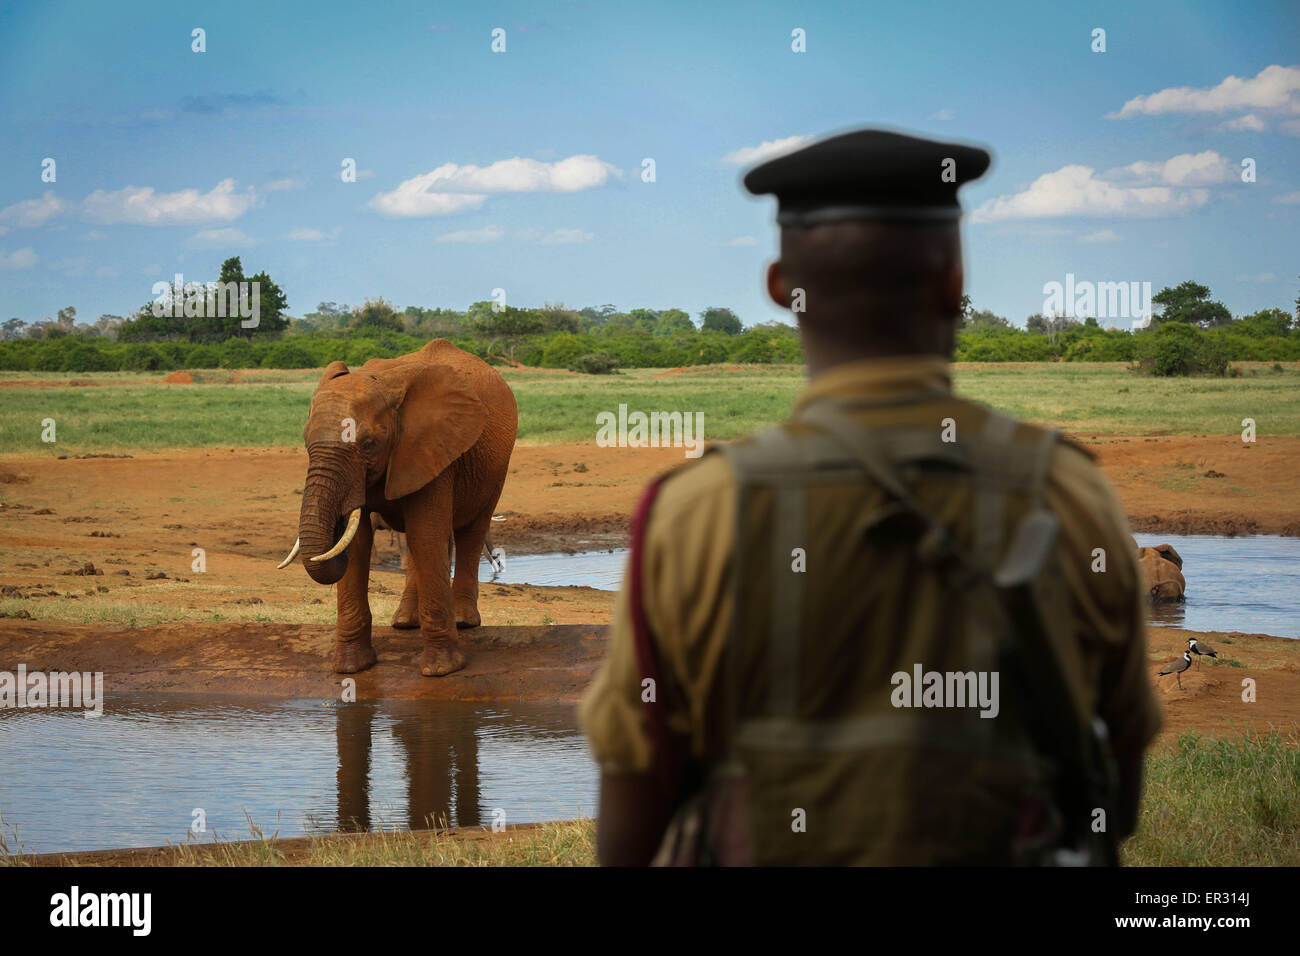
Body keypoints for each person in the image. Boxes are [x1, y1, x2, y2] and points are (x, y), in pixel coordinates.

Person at [579, 128, 1161, 865]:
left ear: (779, 288)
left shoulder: (693, 511)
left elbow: (633, 816)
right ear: (954, 282)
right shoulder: (1070, 494)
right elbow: (1117, 797)